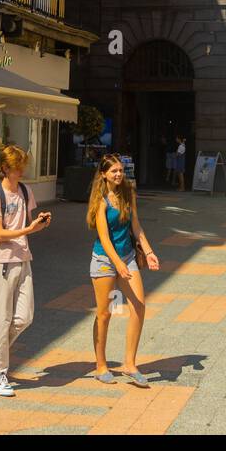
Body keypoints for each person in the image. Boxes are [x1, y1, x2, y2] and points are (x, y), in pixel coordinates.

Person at [0, 144, 51, 397]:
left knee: (24, 317)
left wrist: (39, 223)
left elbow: (26, 224)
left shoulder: (25, 191)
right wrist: (29, 230)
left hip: (23, 259)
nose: (21, 171)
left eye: (22, 166)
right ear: (5, 168)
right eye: (16, 167)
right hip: (2, 262)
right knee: (1, 320)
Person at [87, 154, 159, 387]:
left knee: (139, 306)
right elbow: (104, 238)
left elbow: (136, 226)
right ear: (104, 175)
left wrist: (148, 251)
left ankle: (129, 364)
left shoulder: (128, 194)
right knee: (104, 313)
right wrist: (117, 264)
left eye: (120, 170)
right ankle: (100, 366)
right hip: (105, 260)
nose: (118, 174)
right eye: (114, 171)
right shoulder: (101, 200)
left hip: (127, 256)